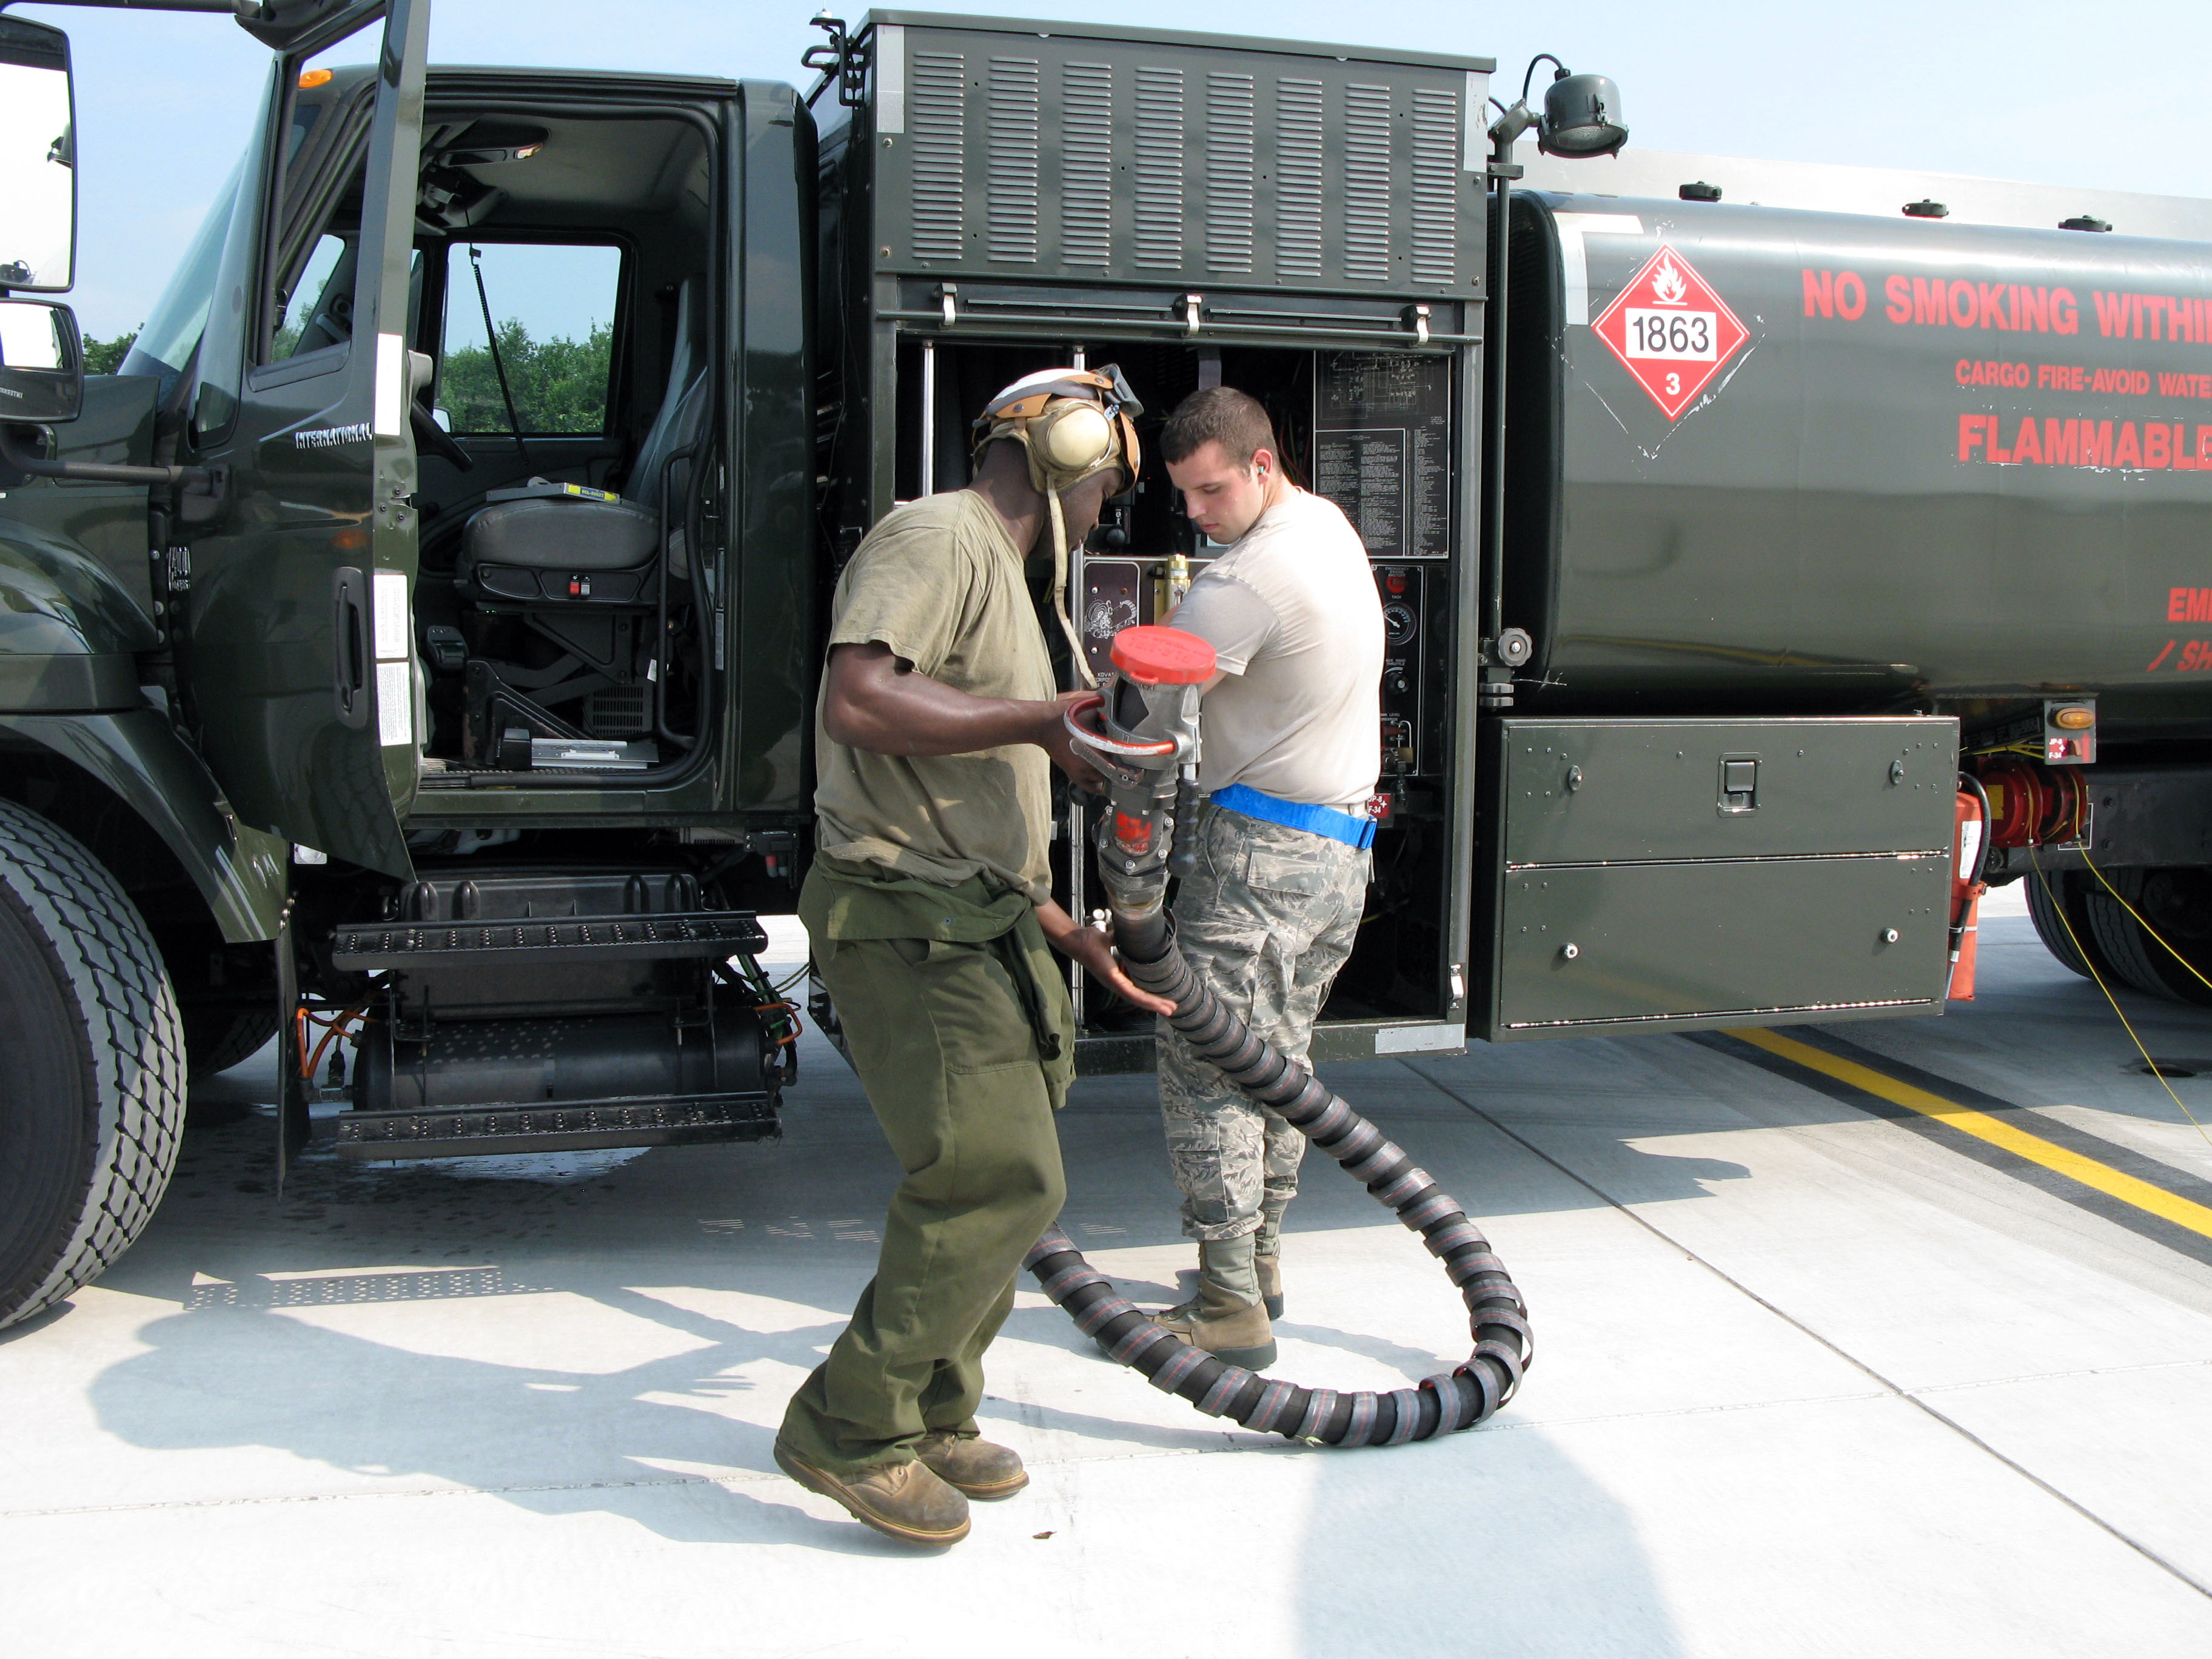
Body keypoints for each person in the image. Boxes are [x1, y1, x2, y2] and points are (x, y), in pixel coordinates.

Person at [776, 366, 1175, 1549]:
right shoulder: (937, 534)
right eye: (1108, 484)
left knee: (1013, 1168)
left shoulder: (1011, 574)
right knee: (999, 1178)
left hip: (984, 917)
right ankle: (849, 1426)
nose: (1107, 508)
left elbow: (980, 793)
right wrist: (1040, 720)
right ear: (1067, 450)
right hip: (905, 913)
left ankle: (936, 1409)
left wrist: (1070, 933)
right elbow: (859, 699)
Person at [1147, 386, 1384, 1370]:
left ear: (1260, 464)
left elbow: (1146, 715)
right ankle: (1263, 1265)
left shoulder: (1247, 580)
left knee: (1208, 1068)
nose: (1196, 515)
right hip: (1338, 855)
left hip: (1261, 861)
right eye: (1183, 498)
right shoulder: (1325, 525)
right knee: (1278, 1067)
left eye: (1210, 493)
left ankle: (1229, 1303)